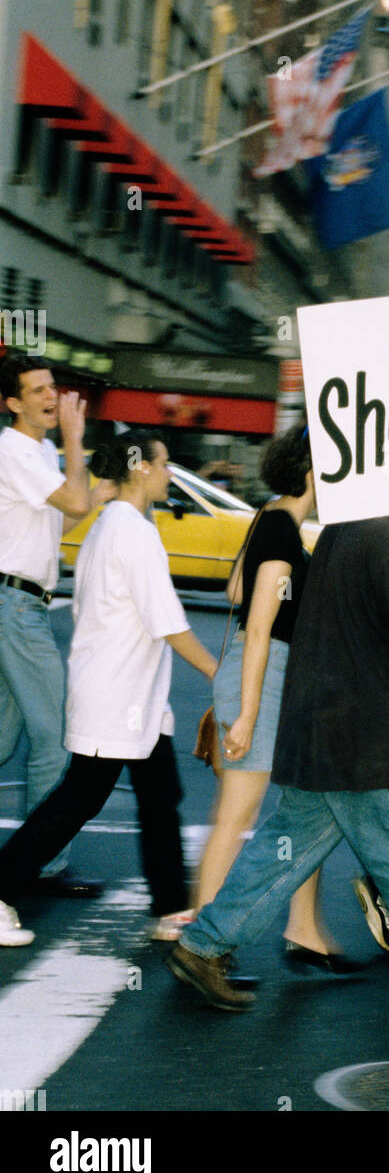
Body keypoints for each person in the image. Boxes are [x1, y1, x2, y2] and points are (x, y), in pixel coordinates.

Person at [167, 468, 389, 1019]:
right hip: (370, 739)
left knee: (278, 855)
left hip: (321, 734)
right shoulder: (382, 533)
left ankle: (202, 947)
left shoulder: (342, 530)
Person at [0, 431, 217, 947]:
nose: (169, 472)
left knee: (160, 798)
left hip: (130, 697)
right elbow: (167, 621)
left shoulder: (111, 526)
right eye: (165, 463)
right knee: (77, 802)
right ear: (141, 468)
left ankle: (170, 909)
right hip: (117, 698)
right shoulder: (131, 533)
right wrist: (219, 670)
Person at [195, 425, 356, 972]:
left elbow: (235, 592)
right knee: (237, 814)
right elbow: (260, 624)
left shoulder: (271, 517)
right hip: (263, 676)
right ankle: (202, 940)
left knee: (301, 808)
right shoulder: (284, 533)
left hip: (263, 675)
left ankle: (305, 930)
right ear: (315, 471)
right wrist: (247, 712)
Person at [0, 354, 105, 901]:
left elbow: (67, 512)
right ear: (12, 402)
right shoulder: (15, 449)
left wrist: (98, 490)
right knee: (52, 740)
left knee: (3, 738)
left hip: (20, 605)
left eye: (52, 387)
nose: (50, 396)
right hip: (15, 606)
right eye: (37, 389)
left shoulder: (35, 451)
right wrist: (73, 439)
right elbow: (71, 498)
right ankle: (43, 863)